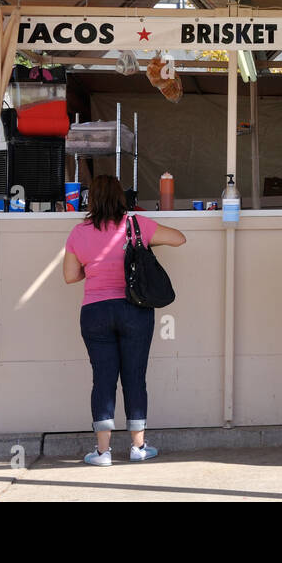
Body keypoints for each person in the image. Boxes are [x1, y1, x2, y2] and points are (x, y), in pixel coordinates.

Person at [62, 174, 186, 467]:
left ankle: (103, 453)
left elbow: (69, 276)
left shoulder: (78, 233)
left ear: (90, 200)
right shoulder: (136, 225)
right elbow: (180, 238)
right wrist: (142, 245)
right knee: (134, 377)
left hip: (95, 311)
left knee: (103, 378)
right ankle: (138, 448)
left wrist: (93, 271)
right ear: (122, 198)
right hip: (134, 310)